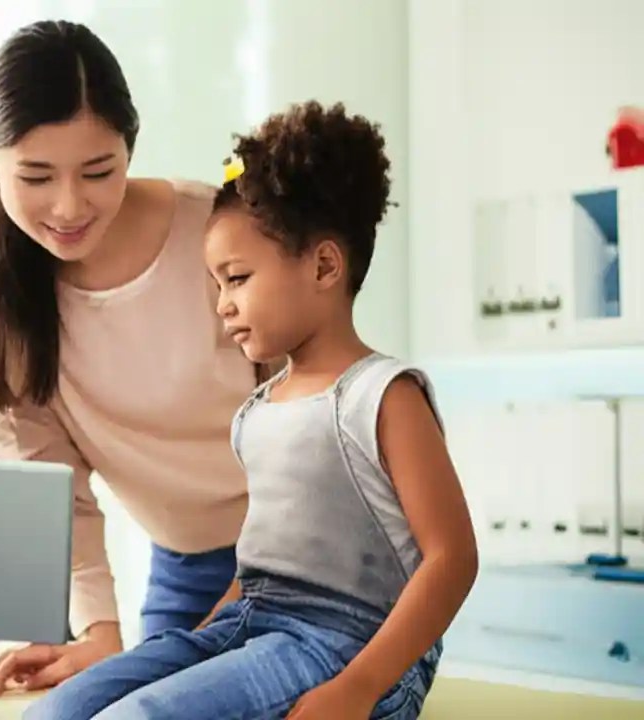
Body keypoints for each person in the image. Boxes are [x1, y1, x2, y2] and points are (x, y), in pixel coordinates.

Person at [25, 100, 480, 720]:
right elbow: (260, 569)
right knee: (61, 711)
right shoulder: (257, 412)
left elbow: (453, 559)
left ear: (323, 265)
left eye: (237, 279)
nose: (222, 306)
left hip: (349, 648)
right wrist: (200, 655)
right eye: (216, 285)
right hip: (252, 621)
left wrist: (357, 688)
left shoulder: (384, 395)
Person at [0, 20, 267, 697]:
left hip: (307, 553)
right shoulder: (4, 289)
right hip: (189, 565)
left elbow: (315, 418)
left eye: (98, 171)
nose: (69, 205)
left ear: (130, 150)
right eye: (36, 176)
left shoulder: (217, 236)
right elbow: (48, 485)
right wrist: (97, 633)